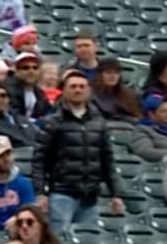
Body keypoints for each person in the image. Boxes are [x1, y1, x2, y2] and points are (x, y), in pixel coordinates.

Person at [32, 70, 124, 233]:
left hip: (90, 196)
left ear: (88, 91)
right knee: (60, 242)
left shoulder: (99, 123)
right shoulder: (52, 123)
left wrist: (115, 194)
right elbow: (39, 160)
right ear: (64, 91)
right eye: (73, 86)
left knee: (88, 243)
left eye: (82, 86)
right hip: (61, 193)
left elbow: (107, 160)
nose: (78, 90)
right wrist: (40, 193)